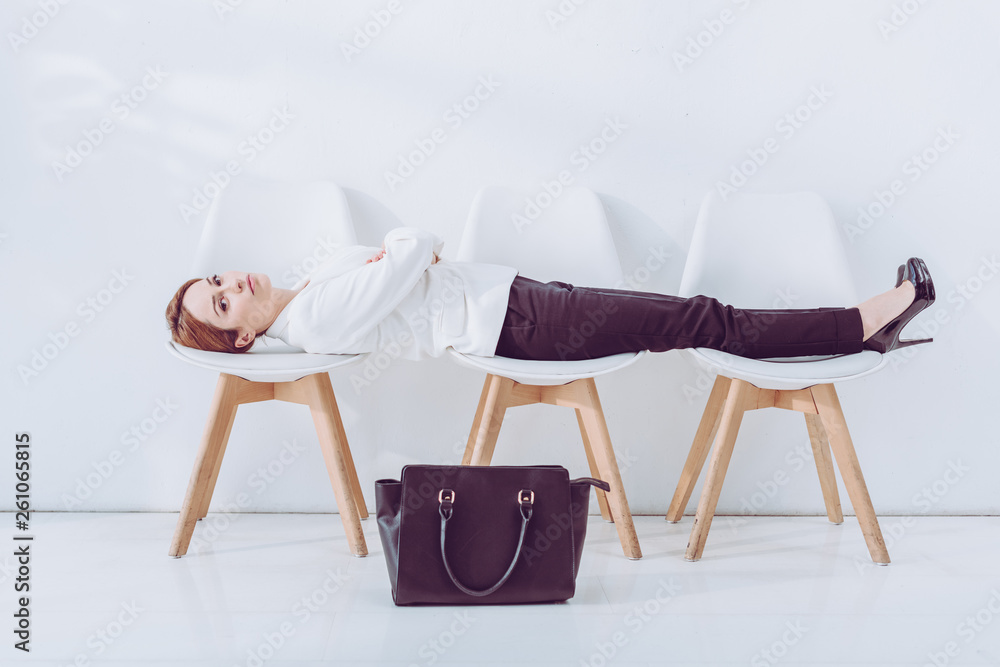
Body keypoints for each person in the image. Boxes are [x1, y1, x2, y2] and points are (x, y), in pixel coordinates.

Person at [165, 227, 934, 362]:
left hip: (514, 302)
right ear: (240, 339)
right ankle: (863, 324)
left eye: (220, 279)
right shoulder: (318, 314)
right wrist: (400, 252)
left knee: (698, 318)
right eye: (224, 304)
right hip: (521, 323)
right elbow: (414, 240)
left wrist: (400, 255)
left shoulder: (310, 292)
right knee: (703, 318)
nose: (234, 284)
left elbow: (404, 254)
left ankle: (858, 328)